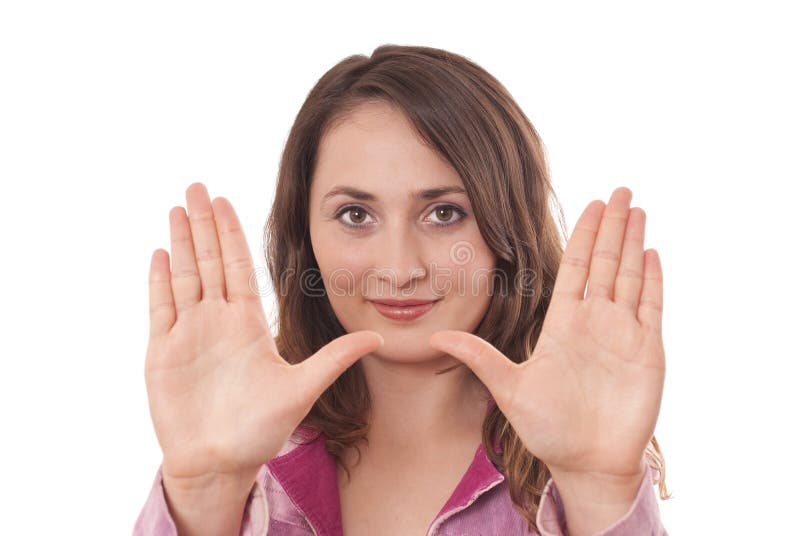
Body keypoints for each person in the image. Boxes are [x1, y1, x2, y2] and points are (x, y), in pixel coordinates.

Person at [134, 44, 671, 535]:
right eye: (355, 214)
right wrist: (205, 495)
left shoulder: (574, 458)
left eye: (444, 213)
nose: (399, 268)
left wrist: (600, 491)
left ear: (507, 229)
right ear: (306, 238)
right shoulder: (246, 459)